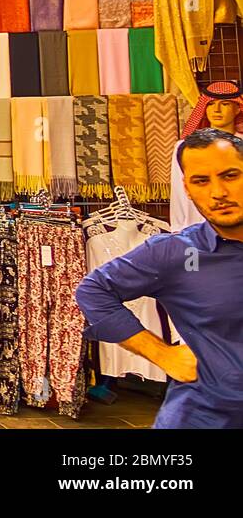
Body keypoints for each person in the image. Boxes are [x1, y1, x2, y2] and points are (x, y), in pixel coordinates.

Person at [76, 128, 243, 428]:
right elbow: (94, 291)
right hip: (206, 417)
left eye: (230, 175)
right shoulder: (178, 253)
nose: (218, 192)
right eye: (201, 181)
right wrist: (162, 354)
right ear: (187, 189)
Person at [170, 81, 242, 230]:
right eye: (210, 104)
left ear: (237, 109)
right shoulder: (186, 147)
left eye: (225, 104)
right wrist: (178, 228)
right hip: (196, 226)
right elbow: (179, 192)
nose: (216, 110)